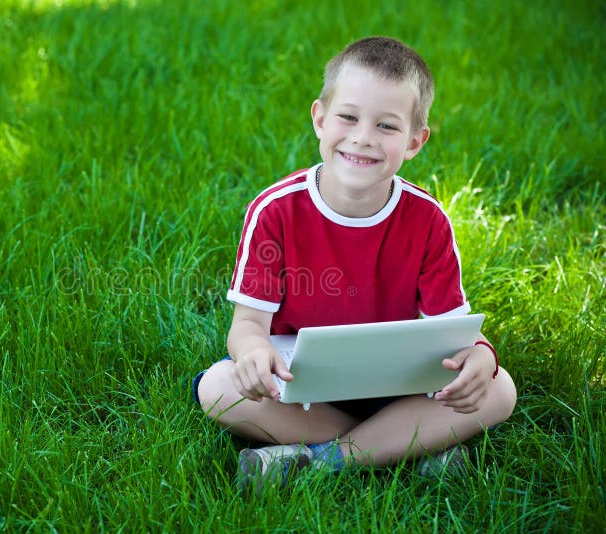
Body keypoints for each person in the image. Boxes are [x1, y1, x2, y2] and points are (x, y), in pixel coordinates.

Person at [192, 36, 517, 491]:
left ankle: (320, 460)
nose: (363, 137)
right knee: (218, 387)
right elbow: (248, 323)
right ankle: (407, 447)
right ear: (320, 120)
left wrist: (481, 356)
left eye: (387, 126)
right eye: (348, 117)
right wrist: (251, 354)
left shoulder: (427, 220)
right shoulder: (275, 211)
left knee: (500, 390)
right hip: (303, 389)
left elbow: (456, 332)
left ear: (414, 142)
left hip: (398, 386)